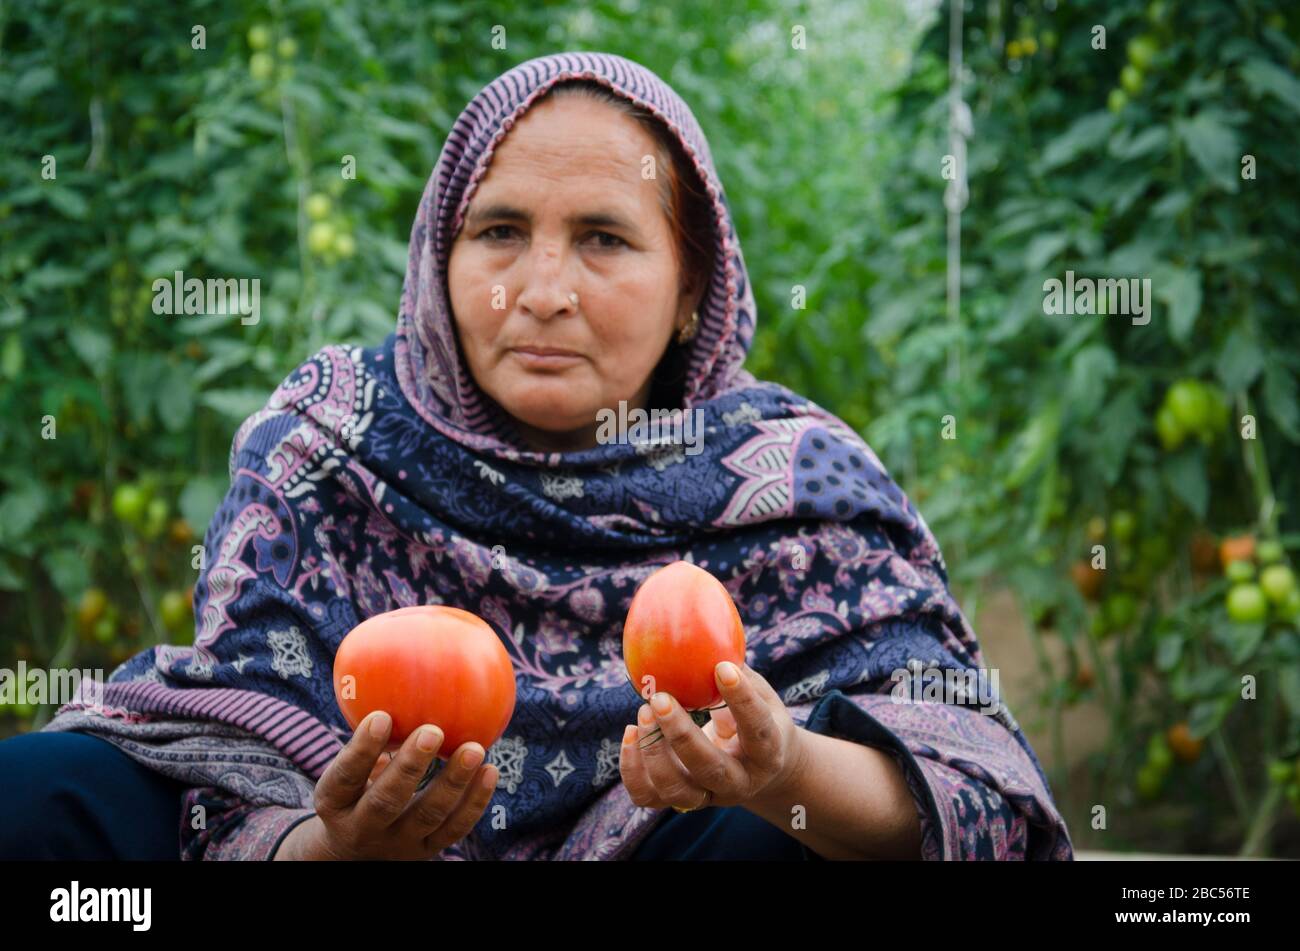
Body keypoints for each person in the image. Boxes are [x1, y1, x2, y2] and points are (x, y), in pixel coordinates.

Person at [3, 51, 1072, 861]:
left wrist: (779, 768)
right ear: (440, 255)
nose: (541, 290)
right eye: (499, 232)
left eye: (604, 239)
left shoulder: (798, 481)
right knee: (42, 794)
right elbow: (223, 759)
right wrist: (330, 848)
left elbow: (971, 785)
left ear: (693, 286)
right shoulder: (325, 442)